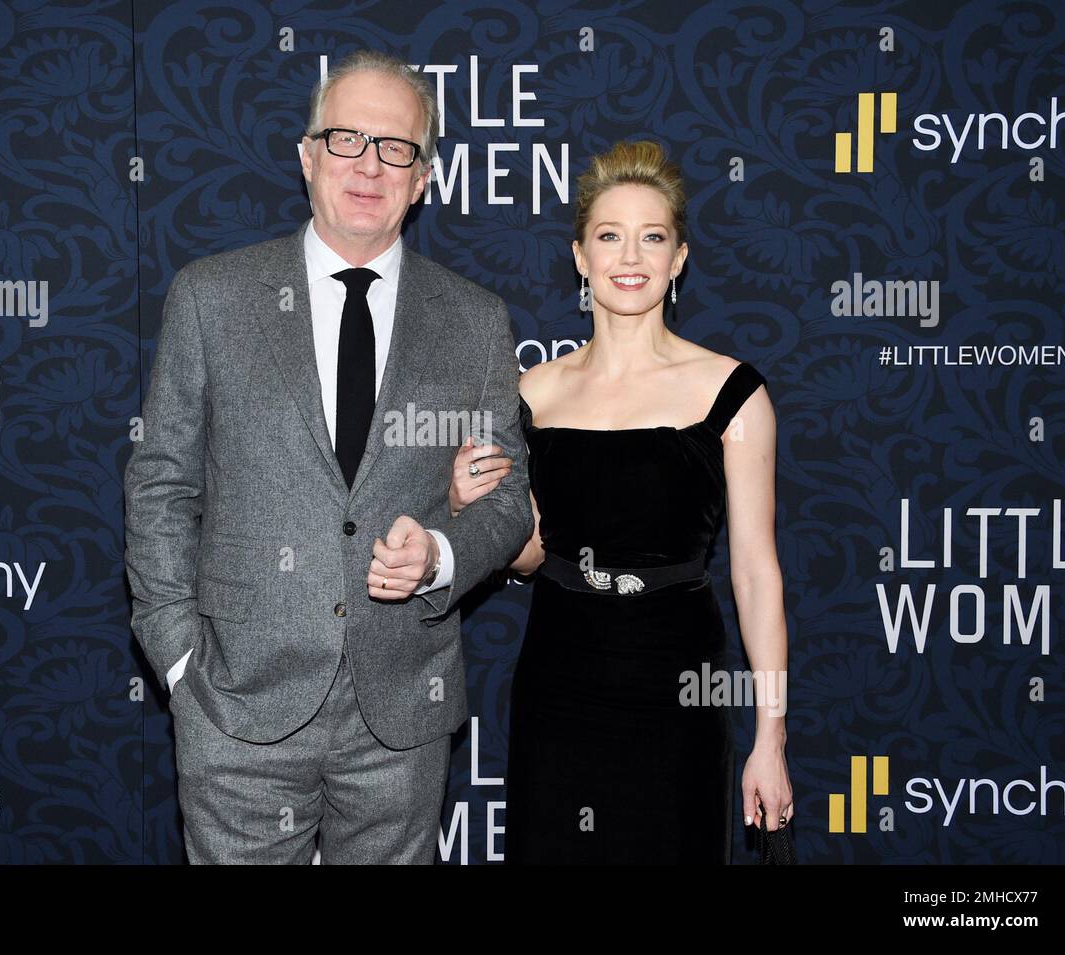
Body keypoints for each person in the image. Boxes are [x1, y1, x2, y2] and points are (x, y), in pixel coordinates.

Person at [124, 49, 534, 864]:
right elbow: (162, 481)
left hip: (402, 708)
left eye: (396, 148)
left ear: (424, 178)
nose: (369, 166)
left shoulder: (474, 320)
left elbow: (508, 495)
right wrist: (178, 661)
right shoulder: (212, 297)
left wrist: (443, 553)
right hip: (238, 701)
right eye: (346, 139)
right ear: (307, 154)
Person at [449, 140, 794, 863]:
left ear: (679, 258)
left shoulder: (732, 392)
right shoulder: (532, 395)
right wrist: (468, 507)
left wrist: (771, 735)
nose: (629, 256)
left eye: (652, 237)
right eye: (609, 235)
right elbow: (529, 552)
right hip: (560, 681)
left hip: (680, 687)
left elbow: (756, 574)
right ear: (580, 256)